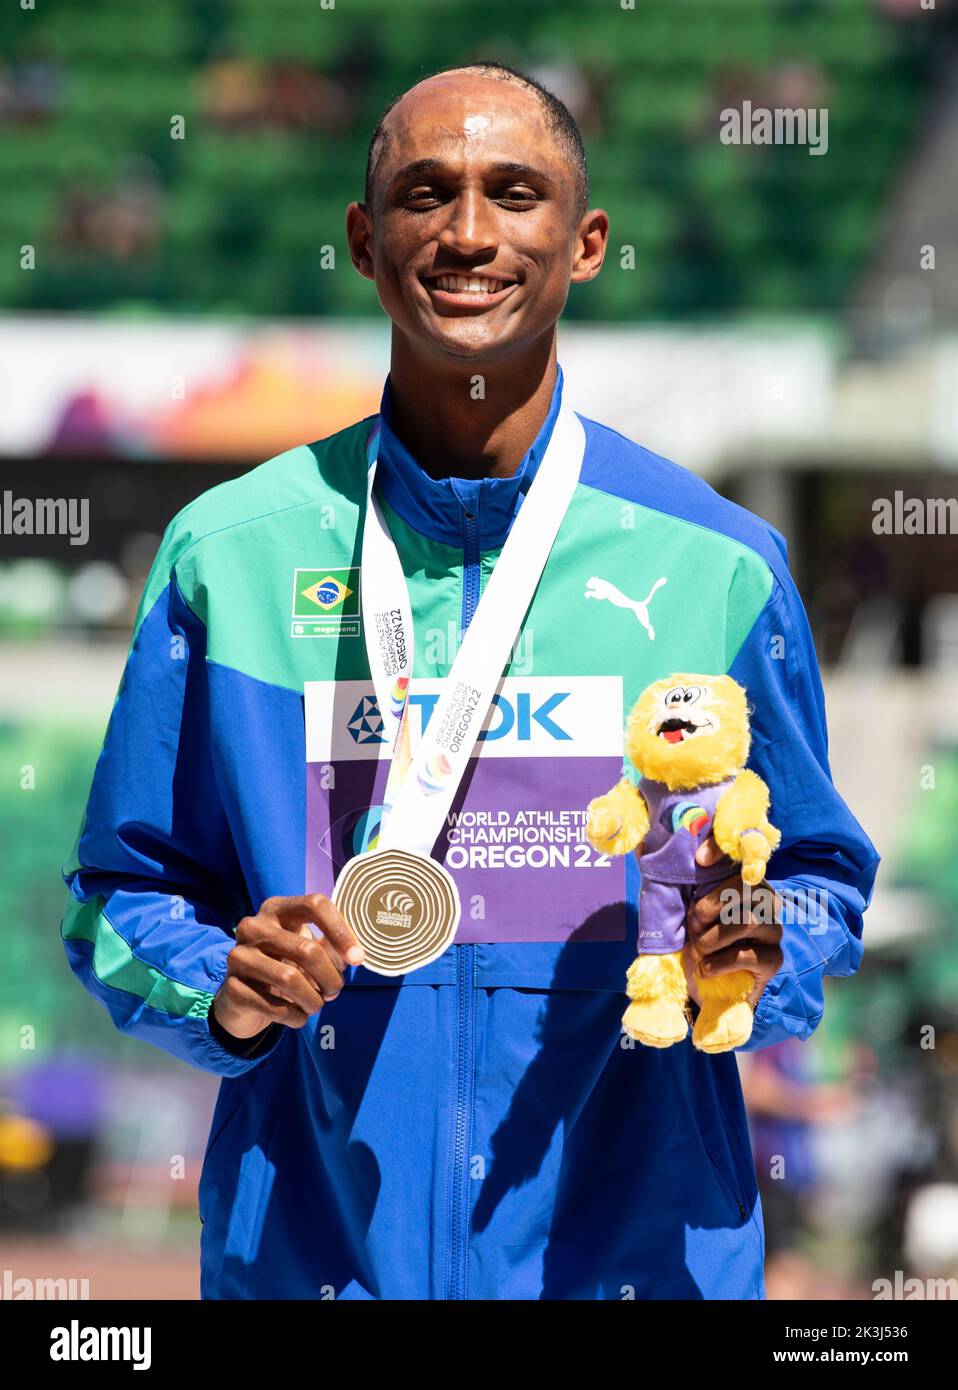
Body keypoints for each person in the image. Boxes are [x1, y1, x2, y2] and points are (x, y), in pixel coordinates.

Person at [60, 62, 880, 1300]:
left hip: (636, 1271)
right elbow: (117, 896)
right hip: (312, 1268)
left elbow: (818, 878)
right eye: (425, 193)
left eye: (516, 192)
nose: (468, 232)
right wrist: (216, 985)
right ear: (364, 237)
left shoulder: (712, 561)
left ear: (586, 242)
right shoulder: (231, 553)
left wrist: (749, 954)